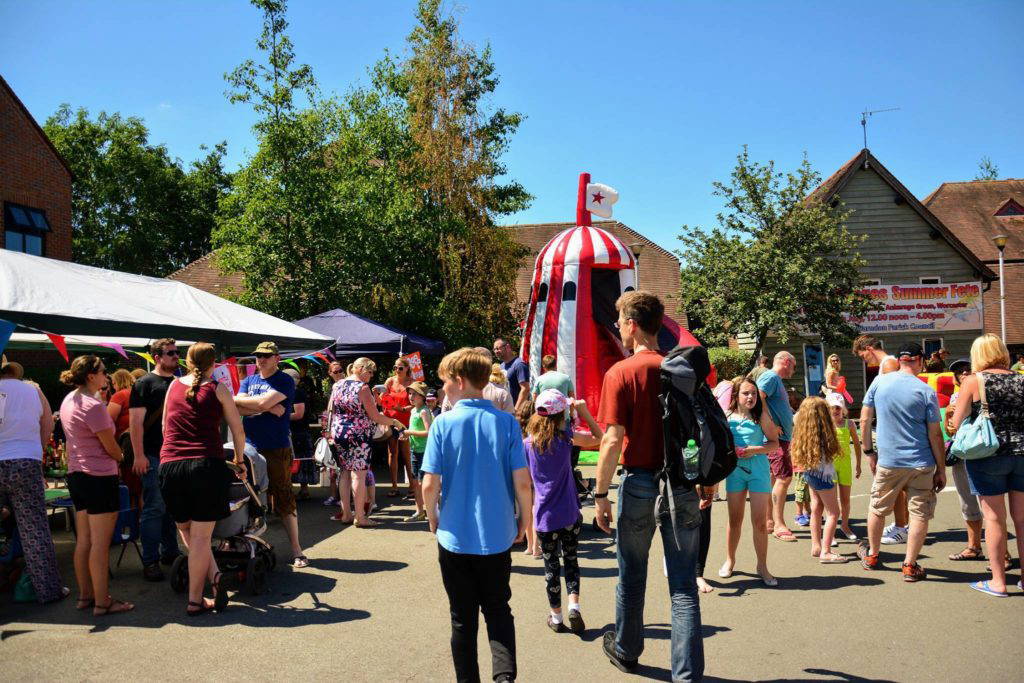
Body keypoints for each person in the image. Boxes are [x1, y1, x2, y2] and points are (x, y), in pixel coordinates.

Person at [594, 291, 704, 681]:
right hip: (681, 483)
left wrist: (601, 494)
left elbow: (611, 439)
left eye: (621, 321)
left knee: (632, 572)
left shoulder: (621, 373)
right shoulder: (681, 370)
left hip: (640, 481)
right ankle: (687, 675)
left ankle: (626, 648)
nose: (618, 328)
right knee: (683, 587)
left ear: (633, 324)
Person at [421, 348, 532, 683]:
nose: (442, 391)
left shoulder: (443, 423)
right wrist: (524, 521)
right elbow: (523, 483)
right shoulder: (507, 423)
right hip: (497, 534)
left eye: (444, 383)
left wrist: (431, 516)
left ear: (458, 380)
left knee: (462, 618)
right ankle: (504, 677)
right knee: (498, 610)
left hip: (454, 535)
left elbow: (429, 483)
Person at [158, 343, 247, 615]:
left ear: (186, 360)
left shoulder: (172, 387)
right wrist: (240, 461)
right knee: (200, 538)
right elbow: (237, 431)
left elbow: (164, 427)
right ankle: (195, 600)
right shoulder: (217, 388)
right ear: (214, 364)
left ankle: (215, 575)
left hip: (171, 465)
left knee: (185, 530)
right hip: (205, 465)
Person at [857, 342, 946, 581]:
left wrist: (869, 452)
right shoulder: (925, 390)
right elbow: (935, 434)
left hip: (889, 461)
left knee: (877, 508)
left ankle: (873, 555)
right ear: (919, 360)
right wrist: (941, 468)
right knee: (919, 514)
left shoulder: (879, 381)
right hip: (921, 462)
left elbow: (865, 420)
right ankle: (909, 564)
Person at [948, 334, 1024, 597]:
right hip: (1022, 452)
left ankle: (998, 581)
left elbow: (955, 423)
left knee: (993, 518)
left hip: (987, 455)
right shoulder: (1021, 378)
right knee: (1022, 519)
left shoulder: (973, 381)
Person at [524, 390, 602, 634]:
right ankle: (574, 605)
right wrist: (584, 411)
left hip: (544, 517)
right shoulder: (566, 438)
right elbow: (600, 438)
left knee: (550, 568)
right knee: (571, 560)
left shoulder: (527, 444)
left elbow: (525, 482)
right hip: (569, 512)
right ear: (561, 415)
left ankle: (556, 618)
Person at [60, 355, 133, 615]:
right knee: (100, 545)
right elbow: (110, 446)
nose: (107, 375)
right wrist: (122, 457)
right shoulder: (93, 406)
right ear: (91, 376)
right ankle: (102, 602)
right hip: (99, 476)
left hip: (78, 474)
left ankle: (86, 596)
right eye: (103, 371)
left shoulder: (69, 400)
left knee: (85, 541)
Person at [0, 359, 67, 604]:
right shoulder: (32, 390)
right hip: (25, 460)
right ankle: (48, 590)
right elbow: (48, 423)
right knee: (35, 530)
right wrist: (36, 451)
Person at [234, 341, 306, 568]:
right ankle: (248, 547)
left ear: (277, 358)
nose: (261, 359)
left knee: (283, 496)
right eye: (258, 356)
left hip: (276, 447)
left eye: (266, 356)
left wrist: (258, 405)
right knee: (248, 497)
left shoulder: (284, 380)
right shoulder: (248, 380)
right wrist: (265, 407)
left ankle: (297, 550)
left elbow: (258, 403)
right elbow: (235, 406)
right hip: (249, 448)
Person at [327, 358, 405, 527]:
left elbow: (330, 410)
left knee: (345, 473)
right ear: (360, 369)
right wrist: (394, 422)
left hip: (339, 433)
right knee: (359, 475)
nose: (371, 375)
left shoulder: (337, 385)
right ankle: (360, 517)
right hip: (359, 435)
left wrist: (330, 431)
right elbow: (375, 416)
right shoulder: (362, 388)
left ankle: (346, 514)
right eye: (369, 371)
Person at [128, 338, 181, 581]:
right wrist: (138, 455)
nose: (176, 356)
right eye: (171, 353)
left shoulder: (181, 382)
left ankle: (170, 552)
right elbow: (135, 423)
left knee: (172, 508)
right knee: (154, 507)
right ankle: (150, 560)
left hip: (177, 455)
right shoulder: (144, 383)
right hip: (153, 454)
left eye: (177, 352)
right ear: (157, 357)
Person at [720, 376, 780, 586]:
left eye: (753, 393)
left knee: (759, 522)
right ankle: (730, 560)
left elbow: (775, 444)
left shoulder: (761, 416)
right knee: (735, 520)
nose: (751, 397)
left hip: (758, 472)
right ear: (736, 395)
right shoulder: (726, 416)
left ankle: (762, 566)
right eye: (746, 393)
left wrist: (755, 450)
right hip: (734, 472)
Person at [853, 334, 908, 545]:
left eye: (863, 356)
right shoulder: (886, 365)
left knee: (896, 484)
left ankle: (902, 527)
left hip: (894, 435)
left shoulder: (889, 364)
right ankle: (900, 524)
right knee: (897, 484)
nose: (865, 361)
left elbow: (894, 399)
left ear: (869, 348)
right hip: (890, 432)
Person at [791, 397, 848, 564]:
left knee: (816, 509)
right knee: (833, 513)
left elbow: (796, 417)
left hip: (810, 473)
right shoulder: (824, 432)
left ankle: (816, 546)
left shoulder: (803, 431)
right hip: (824, 475)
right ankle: (826, 551)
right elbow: (834, 450)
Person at [944, 358, 986, 562]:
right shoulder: (954, 397)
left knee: (988, 502)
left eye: (968, 369)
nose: (964, 373)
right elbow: (950, 430)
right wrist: (948, 416)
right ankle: (974, 546)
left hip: (981, 452)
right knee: (967, 502)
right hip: (961, 454)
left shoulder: (985, 393)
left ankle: (1002, 553)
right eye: (959, 371)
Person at [756, 351, 797, 542]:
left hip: (780, 439)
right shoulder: (771, 377)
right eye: (794, 366)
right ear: (786, 362)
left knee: (773, 478)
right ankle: (779, 525)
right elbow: (758, 397)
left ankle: (769, 521)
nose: (794, 371)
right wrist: (770, 424)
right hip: (776, 440)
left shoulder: (775, 380)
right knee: (784, 478)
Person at [826, 392, 862, 541]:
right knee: (831, 501)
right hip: (830, 466)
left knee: (845, 499)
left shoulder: (850, 424)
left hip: (845, 466)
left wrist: (859, 465)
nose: (835, 410)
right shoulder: (826, 425)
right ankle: (831, 531)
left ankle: (845, 525)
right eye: (832, 407)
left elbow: (857, 446)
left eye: (838, 408)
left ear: (843, 409)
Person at [382, 357, 415, 498]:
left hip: (406, 422)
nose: (397, 370)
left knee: (406, 454)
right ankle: (394, 486)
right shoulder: (390, 381)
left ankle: (412, 486)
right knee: (392, 453)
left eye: (400, 368)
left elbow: (416, 403)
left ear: (407, 368)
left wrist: (401, 409)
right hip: (391, 420)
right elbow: (383, 400)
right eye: (395, 367)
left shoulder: (412, 383)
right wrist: (377, 395)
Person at [282, 368, 316, 501]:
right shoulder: (288, 393)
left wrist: (281, 416)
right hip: (292, 431)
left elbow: (299, 414)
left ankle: (304, 489)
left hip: (299, 432)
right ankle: (296, 490)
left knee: (301, 460)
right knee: (293, 460)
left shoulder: (297, 393)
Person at [404, 381, 432, 523]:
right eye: (410, 393)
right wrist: (407, 435)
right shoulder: (413, 410)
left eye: (415, 394)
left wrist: (409, 432)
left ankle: (431, 511)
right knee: (415, 482)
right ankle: (419, 511)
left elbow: (429, 432)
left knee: (423, 483)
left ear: (422, 396)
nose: (411, 396)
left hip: (424, 451)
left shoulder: (423, 411)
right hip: (414, 450)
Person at [322, 361, 346, 508]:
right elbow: (329, 412)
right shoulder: (333, 388)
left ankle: (346, 499)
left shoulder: (348, 386)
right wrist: (327, 430)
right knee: (333, 467)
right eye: (335, 372)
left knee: (345, 469)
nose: (338, 374)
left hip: (344, 431)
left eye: (340, 370)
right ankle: (334, 496)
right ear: (330, 374)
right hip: (333, 431)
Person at [493, 338, 531, 411]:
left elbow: (525, 389)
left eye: (497, 348)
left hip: (515, 412)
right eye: (494, 349)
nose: (496, 351)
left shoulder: (519, 365)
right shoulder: (501, 366)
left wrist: (515, 410)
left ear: (507, 347)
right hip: (503, 410)